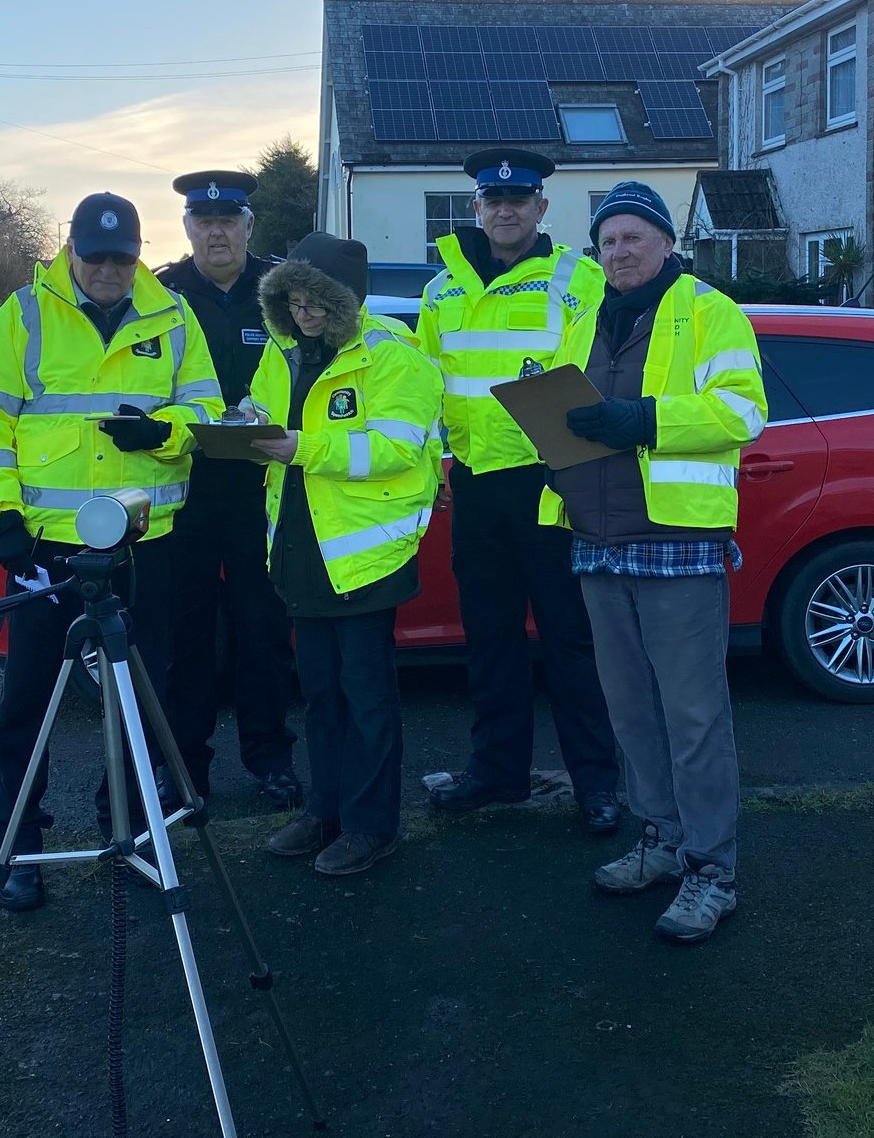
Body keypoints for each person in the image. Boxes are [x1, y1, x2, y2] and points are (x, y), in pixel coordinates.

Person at [0, 191, 224, 912]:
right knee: (28, 701)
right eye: (96, 256)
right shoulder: (26, 313)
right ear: (71, 249)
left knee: (142, 697)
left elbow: (206, 410)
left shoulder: (173, 312)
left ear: (138, 253)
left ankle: (128, 830)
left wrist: (163, 433)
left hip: (143, 544)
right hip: (49, 549)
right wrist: (3, 516)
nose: (108, 270)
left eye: (121, 257)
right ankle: (17, 843)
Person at [543, 181, 765, 944]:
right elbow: (566, 412)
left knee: (694, 716)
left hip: (675, 542)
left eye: (634, 236)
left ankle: (712, 869)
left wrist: (641, 419)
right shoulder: (583, 319)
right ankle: (661, 839)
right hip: (598, 539)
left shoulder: (710, 311)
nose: (619, 251)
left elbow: (743, 411)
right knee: (631, 710)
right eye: (607, 241)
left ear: (667, 243)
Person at [418, 147, 621, 836]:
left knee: (572, 640)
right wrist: (432, 472)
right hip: (474, 487)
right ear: (476, 208)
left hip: (551, 484)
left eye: (520, 199)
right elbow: (422, 391)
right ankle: (497, 772)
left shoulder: (578, 278)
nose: (505, 209)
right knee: (490, 638)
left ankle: (596, 782)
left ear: (541, 208)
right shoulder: (440, 287)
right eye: (492, 200)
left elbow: (600, 372)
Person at [242, 233, 442, 877]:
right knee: (321, 696)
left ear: (348, 299)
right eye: (294, 303)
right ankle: (325, 811)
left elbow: (395, 447)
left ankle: (371, 825)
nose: (305, 316)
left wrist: (300, 445)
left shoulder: (397, 358)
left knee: (367, 699)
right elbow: (267, 417)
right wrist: (246, 422)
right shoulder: (282, 352)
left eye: (318, 304)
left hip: (366, 558)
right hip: (301, 547)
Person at [153, 169, 302, 809]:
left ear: (248, 225)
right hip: (182, 487)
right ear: (188, 228)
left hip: (262, 485)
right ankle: (185, 770)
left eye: (229, 220)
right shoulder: (161, 293)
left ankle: (270, 759)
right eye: (203, 221)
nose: (217, 231)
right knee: (184, 636)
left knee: (262, 630)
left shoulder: (283, 289)